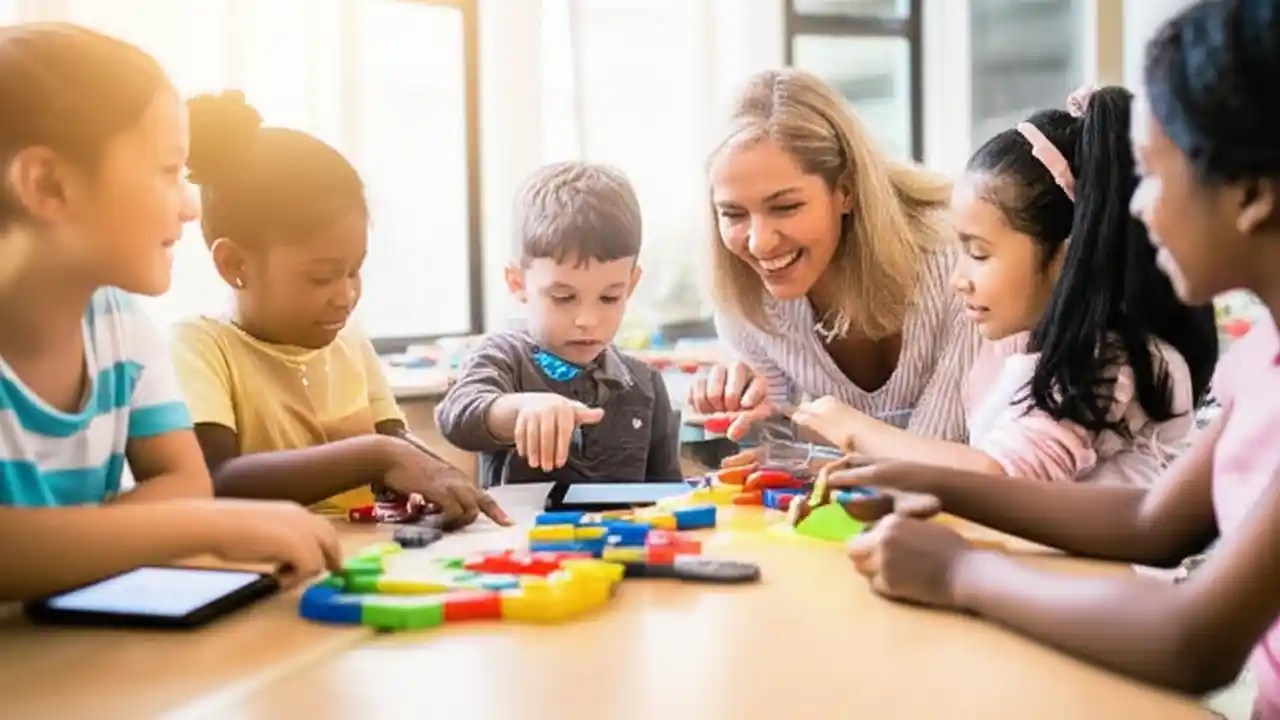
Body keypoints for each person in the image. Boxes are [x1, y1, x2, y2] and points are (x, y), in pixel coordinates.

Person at [832, 0, 1280, 709]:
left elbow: (1194, 641)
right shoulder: (1263, 364)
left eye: (1154, 176)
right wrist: (926, 481)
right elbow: (1152, 522)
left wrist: (960, 571)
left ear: (1251, 194)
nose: (1134, 209)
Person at [0, 24, 339, 600]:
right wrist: (209, 527)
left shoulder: (120, 324)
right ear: (49, 185)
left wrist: (62, 548)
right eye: (167, 172)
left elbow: (185, 481)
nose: (188, 206)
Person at [790, 86, 1219, 485]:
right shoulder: (1018, 346)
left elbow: (1000, 478)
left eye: (978, 254)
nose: (958, 281)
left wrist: (854, 430)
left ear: (1065, 259)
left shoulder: (1110, 363)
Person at [171, 91, 508, 528]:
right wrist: (378, 456)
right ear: (235, 264)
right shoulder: (200, 345)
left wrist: (439, 477)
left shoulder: (349, 341)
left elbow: (395, 441)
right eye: (322, 277)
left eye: (354, 270)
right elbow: (214, 480)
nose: (346, 295)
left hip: (360, 552)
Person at [689, 69, 979, 448]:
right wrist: (752, 419)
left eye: (785, 207)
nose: (758, 244)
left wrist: (813, 437)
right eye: (733, 214)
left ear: (845, 191)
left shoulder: (956, 258)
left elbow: (943, 455)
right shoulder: (744, 296)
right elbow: (778, 452)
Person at [436, 162, 682, 486]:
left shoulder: (645, 384)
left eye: (609, 297)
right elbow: (456, 415)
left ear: (631, 284)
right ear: (518, 283)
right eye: (563, 298)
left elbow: (667, 493)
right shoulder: (504, 357)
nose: (587, 321)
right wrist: (520, 410)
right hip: (522, 522)